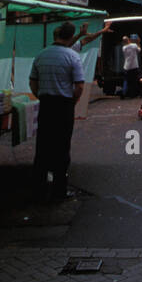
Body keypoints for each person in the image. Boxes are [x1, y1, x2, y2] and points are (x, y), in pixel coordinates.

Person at [29, 21, 85, 203]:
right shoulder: (73, 57)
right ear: (71, 36)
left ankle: (39, 188)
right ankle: (59, 191)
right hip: (64, 105)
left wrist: (41, 96)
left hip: (46, 105)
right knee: (62, 147)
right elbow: (79, 86)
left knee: (43, 147)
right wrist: (72, 102)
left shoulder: (41, 55)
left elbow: (33, 82)